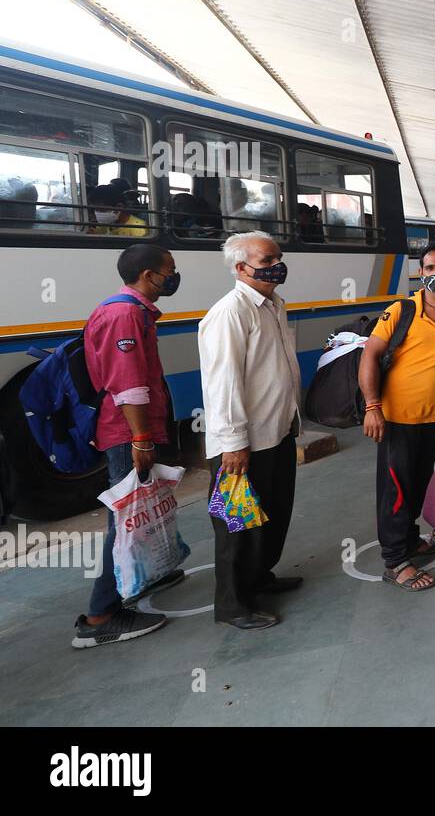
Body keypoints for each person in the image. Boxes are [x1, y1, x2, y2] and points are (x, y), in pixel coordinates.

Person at [72, 245, 185, 647]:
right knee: (124, 519)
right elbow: (127, 384)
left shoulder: (133, 311)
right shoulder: (123, 314)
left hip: (133, 430)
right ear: (148, 274)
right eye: (170, 270)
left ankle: (147, 572)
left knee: (143, 507)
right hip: (125, 432)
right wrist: (141, 439)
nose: (175, 276)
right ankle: (100, 615)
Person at [198, 231, 304, 630]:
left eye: (278, 257)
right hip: (242, 445)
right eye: (266, 261)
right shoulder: (230, 313)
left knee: (273, 513)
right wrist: (233, 444)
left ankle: (260, 577)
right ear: (240, 268)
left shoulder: (274, 305)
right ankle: (232, 604)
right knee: (235, 526)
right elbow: (223, 385)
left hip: (275, 433)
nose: (276, 265)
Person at [359, 242, 435, 592]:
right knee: (395, 489)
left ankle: (409, 541)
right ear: (420, 273)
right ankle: (395, 562)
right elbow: (369, 354)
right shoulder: (402, 311)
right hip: (396, 417)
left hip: (431, 416)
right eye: (429, 268)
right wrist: (372, 406)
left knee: (417, 484)